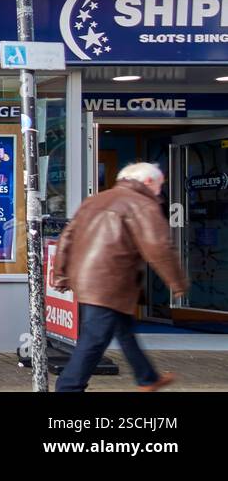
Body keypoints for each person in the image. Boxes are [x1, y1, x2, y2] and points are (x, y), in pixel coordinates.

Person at [51, 161, 189, 392]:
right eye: (159, 185)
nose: (160, 191)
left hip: (88, 278)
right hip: (110, 281)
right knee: (94, 338)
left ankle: (148, 378)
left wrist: (61, 274)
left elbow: (67, 237)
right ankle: (68, 387)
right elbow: (159, 247)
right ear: (147, 182)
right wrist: (176, 282)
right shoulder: (142, 204)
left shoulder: (96, 199)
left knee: (122, 329)